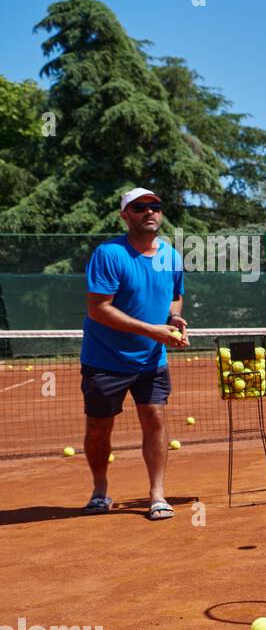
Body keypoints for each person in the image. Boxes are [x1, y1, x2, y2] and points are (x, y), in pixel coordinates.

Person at [80, 187, 188, 521]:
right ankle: (100, 490)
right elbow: (99, 310)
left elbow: (175, 295)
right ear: (124, 215)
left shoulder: (170, 255)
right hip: (105, 360)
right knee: (99, 428)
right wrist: (151, 330)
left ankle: (157, 495)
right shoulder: (109, 254)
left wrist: (171, 318)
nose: (149, 212)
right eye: (139, 207)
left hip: (151, 360)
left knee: (154, 419)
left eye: (155, 206)